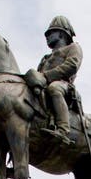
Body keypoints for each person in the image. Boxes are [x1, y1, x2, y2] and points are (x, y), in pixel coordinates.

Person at [29, 16, 83, 145]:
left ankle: (63, 130)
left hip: (64, 86)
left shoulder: (73, 48)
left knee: (54, 88)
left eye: (50, 33)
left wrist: (46, 76)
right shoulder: (46, 58)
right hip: (44, 85)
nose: (46, 36)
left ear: (61, 33)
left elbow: (72, 66)